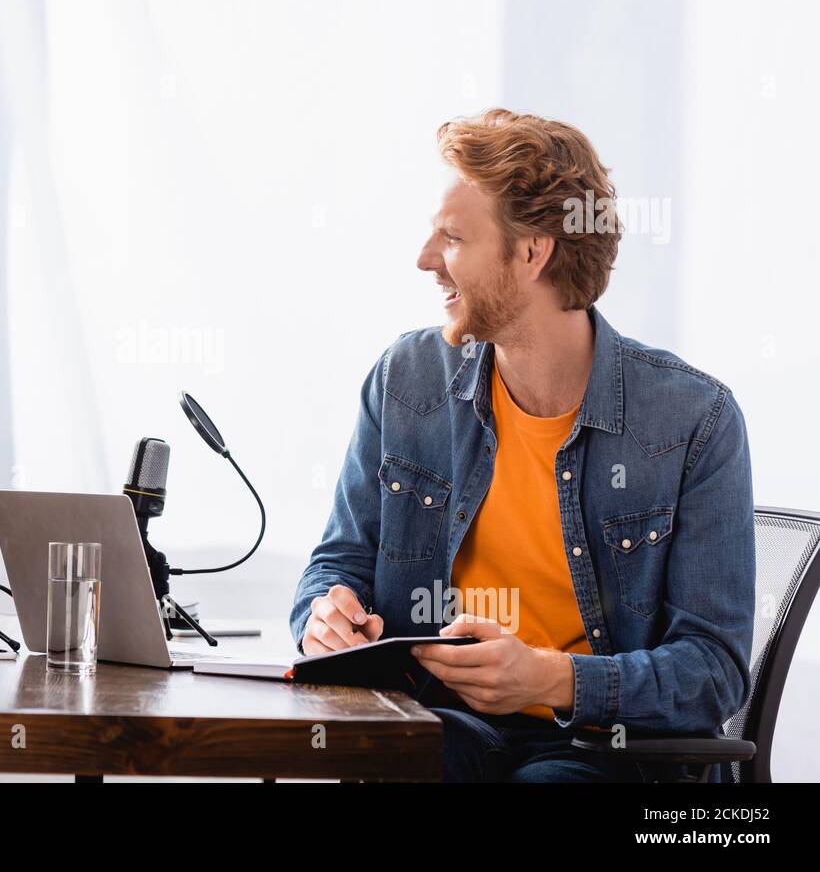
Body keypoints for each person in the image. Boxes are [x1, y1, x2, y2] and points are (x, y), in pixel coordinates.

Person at [290, 109, 755, 782]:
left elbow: (713, 673)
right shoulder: (406, 380)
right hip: (446, 723)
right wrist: (324, 614)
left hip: (604, 752)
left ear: (534, 250)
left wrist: (551, 678)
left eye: (452, 237)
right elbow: (338, 562)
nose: (424, 259)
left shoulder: (694, 419)